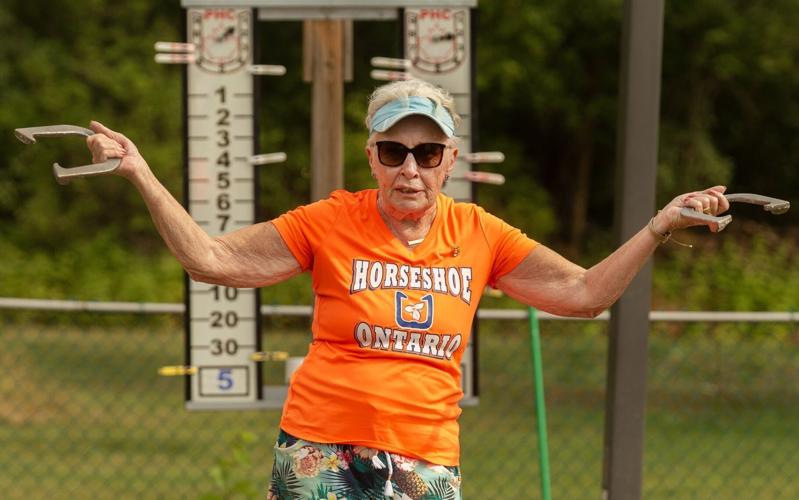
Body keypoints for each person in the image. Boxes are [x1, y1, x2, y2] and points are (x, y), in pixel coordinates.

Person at [86, 78, 729, 499]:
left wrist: (657, 226)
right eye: (394, 152)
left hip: (424, 460)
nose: (410, 169)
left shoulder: (481, 232)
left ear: (451, 159)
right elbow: (209, 259)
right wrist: (140, 172)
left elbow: (586, 294)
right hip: (319, 453)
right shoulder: (330, 220)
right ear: (372, 156)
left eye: (427, 153)